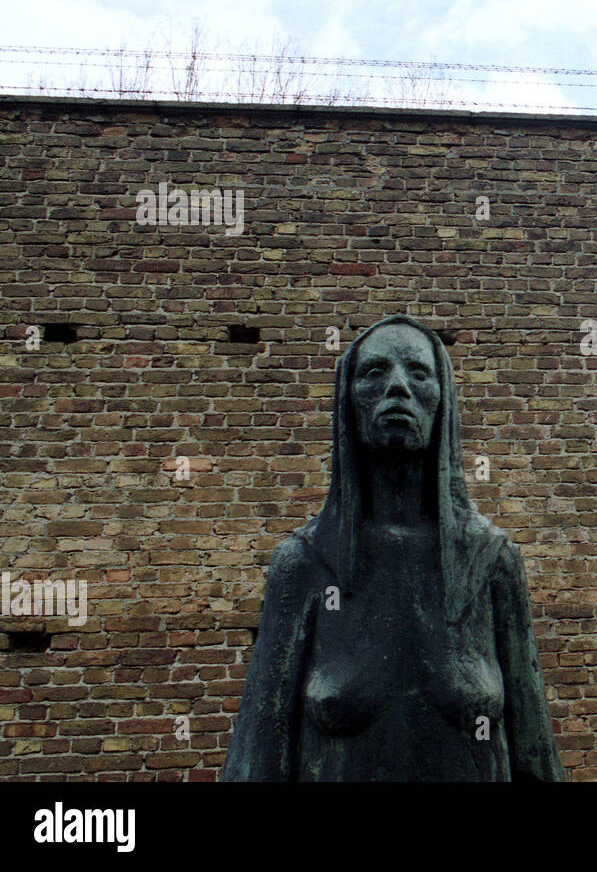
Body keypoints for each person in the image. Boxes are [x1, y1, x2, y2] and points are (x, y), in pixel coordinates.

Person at [223, 315, 564, 781]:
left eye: (419, 373)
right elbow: (257, 757)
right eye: (374, 373)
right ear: (348, 401)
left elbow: (533, 748)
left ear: (443, 400)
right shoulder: (304, 564)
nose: (398, 387)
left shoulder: (489, 559)